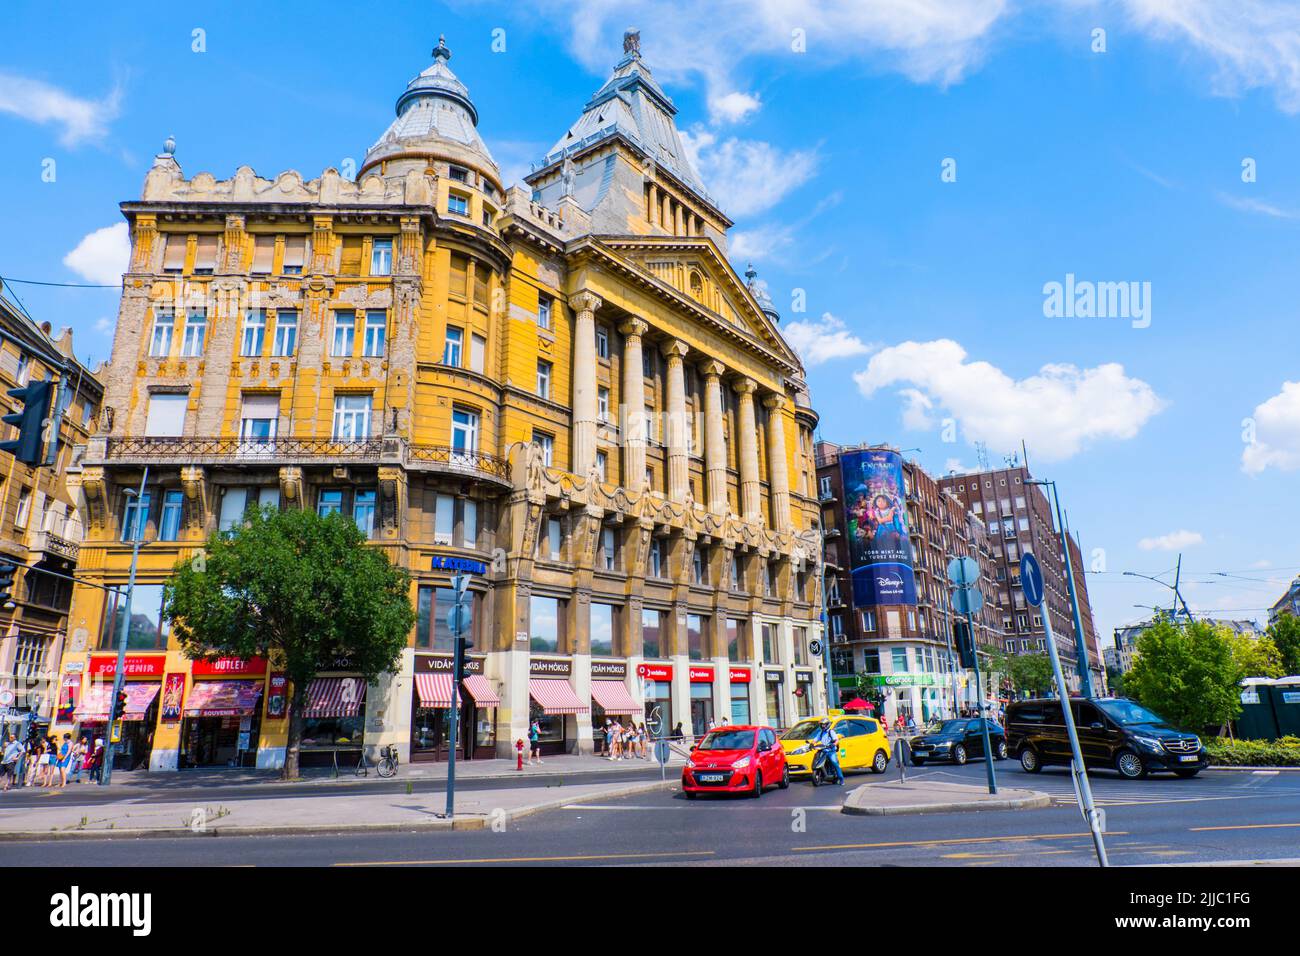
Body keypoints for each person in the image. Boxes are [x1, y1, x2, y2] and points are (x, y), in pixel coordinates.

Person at [810, 718, 844, 786]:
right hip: (823, 751)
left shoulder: (831, 732)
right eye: (822, 725)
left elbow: (836, 740)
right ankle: (823, 774)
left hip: (831, 751)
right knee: (817, 760)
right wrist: (812, 744)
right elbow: (815, 739)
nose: (823, 726)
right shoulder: (821, 732)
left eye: (824, 725)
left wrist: (833, 744)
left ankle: (841, 779)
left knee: (835, 763)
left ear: (827, 725)